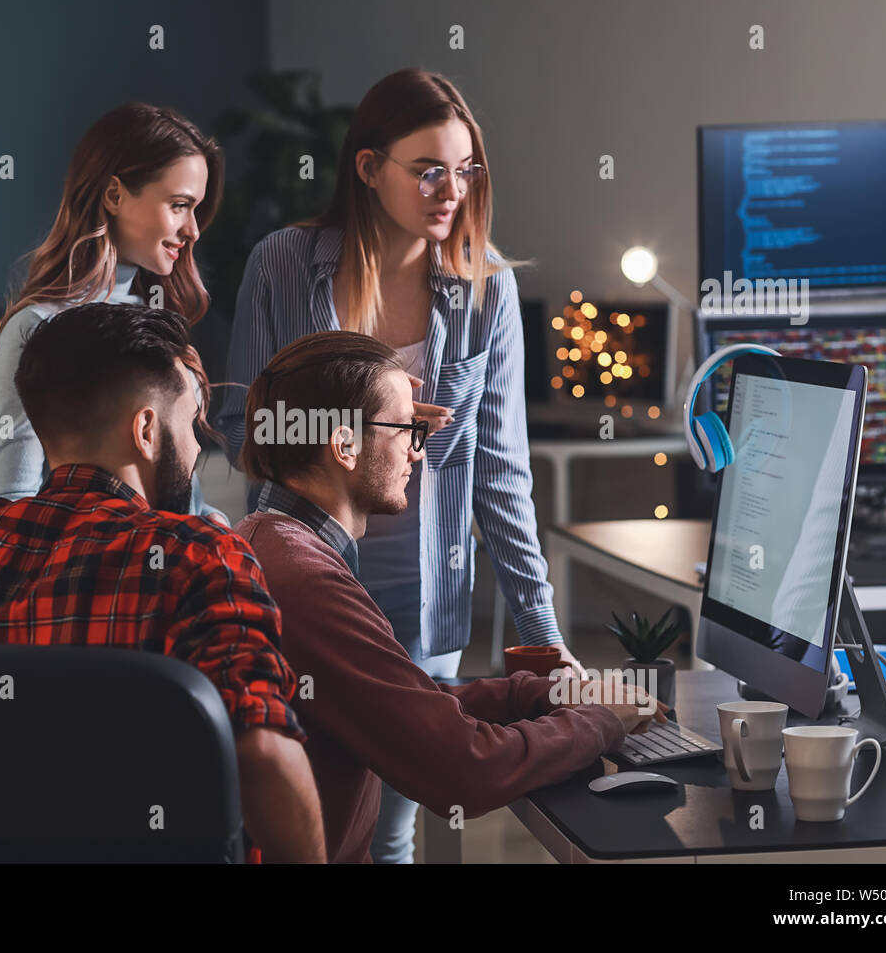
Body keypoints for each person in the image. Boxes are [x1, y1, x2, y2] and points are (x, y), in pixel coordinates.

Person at [215, 67, 588, 861]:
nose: (448, 189)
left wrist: (545, 639)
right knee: (314, 816)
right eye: (427, 168)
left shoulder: (484, 288)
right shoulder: (283, 263)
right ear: (367, 167)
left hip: (426, 599)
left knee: (394, 831)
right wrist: (356, 422)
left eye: (464, 169)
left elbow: (501, 475)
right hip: (304, 585)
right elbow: (233, 418)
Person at [232, 330, 664, 863]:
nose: (419, 446)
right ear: (343, 445)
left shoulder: (269, 542)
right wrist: (603, 722)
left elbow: (403, 703)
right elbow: (465, 769)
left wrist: (543, 695)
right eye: (406, 427)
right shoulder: (305, 580)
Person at [0, 302, 325, 863]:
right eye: (188, 423)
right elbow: (262, 754)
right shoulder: (200, 555)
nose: (193, 446)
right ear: (145, 429)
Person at [0, 102, 227, 522]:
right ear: (114, 195)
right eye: (179, 205)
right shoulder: (35, 328)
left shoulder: (150, 316)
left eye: (196, 209)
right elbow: (13, 501)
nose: (194, 230)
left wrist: (211, 526)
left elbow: (180, 490)